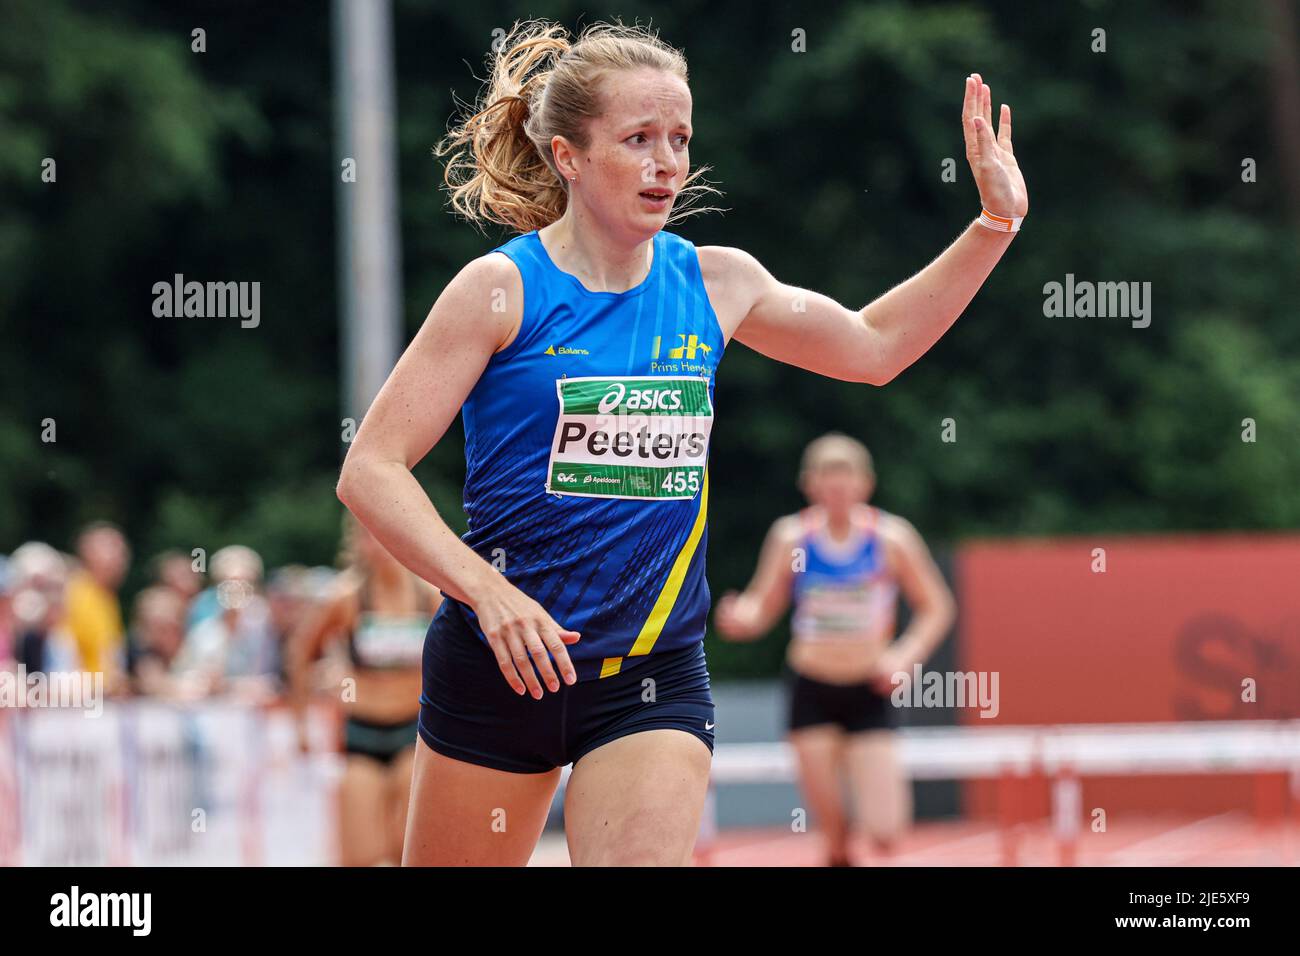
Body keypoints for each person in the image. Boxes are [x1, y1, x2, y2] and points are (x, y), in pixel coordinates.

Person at [336, 19, 1025, 866]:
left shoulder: (717, 283)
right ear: (568, 157)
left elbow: (876, 347)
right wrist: (488, 593)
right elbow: (371, 469)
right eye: (638, 139)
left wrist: (993, 224)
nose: (667, 162)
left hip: (649, 675)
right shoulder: (500, 291)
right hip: (504, 666)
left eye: (680, 138)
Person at [715, 433, 955, 865]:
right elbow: (764, 604)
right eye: (828, 477)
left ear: (866, 484)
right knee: (836, 835)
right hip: (813, 690)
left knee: (885, 832)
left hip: (869, 690)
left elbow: (937, 607)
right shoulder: (792, 538)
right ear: (810, 484)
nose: (838, 488)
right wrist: (741, 616)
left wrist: (905, 657)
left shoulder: (891, 539)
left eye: (847, 478)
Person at [286, 515, 441, 866]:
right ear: (357, 544)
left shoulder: (428, 595)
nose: (380, 547)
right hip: (361, 734)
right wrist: (301, 722)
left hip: (414, 732)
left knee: (406, 842)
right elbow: (299, 652)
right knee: (360, 853)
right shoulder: (345, 598)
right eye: (369, 538)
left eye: (386, 535)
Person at [62, 522, 130, 690]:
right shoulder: (74, 593)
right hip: (81, 699)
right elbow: (63, 650)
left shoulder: (107, 599)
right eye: (113, 549)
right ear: (87, 553)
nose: (121, 558)